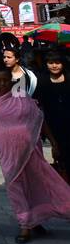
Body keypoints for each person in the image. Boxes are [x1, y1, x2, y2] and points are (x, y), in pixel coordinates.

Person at [0, 68, 70, 243]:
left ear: (11, 81)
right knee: (15, 186)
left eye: (6, 80)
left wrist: (54, 143)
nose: (3, 84)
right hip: (7, 152)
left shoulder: (21, 94)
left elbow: (39, 118)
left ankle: (36, 220)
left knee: (36, 183)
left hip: (30, 149)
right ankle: (25, 224)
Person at [37, 49, 70, 182]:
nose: (54, 66)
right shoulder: (42, 81)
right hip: (52, 126)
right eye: (51, 62)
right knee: (61, 158)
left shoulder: (69, 78)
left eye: (57, 62)